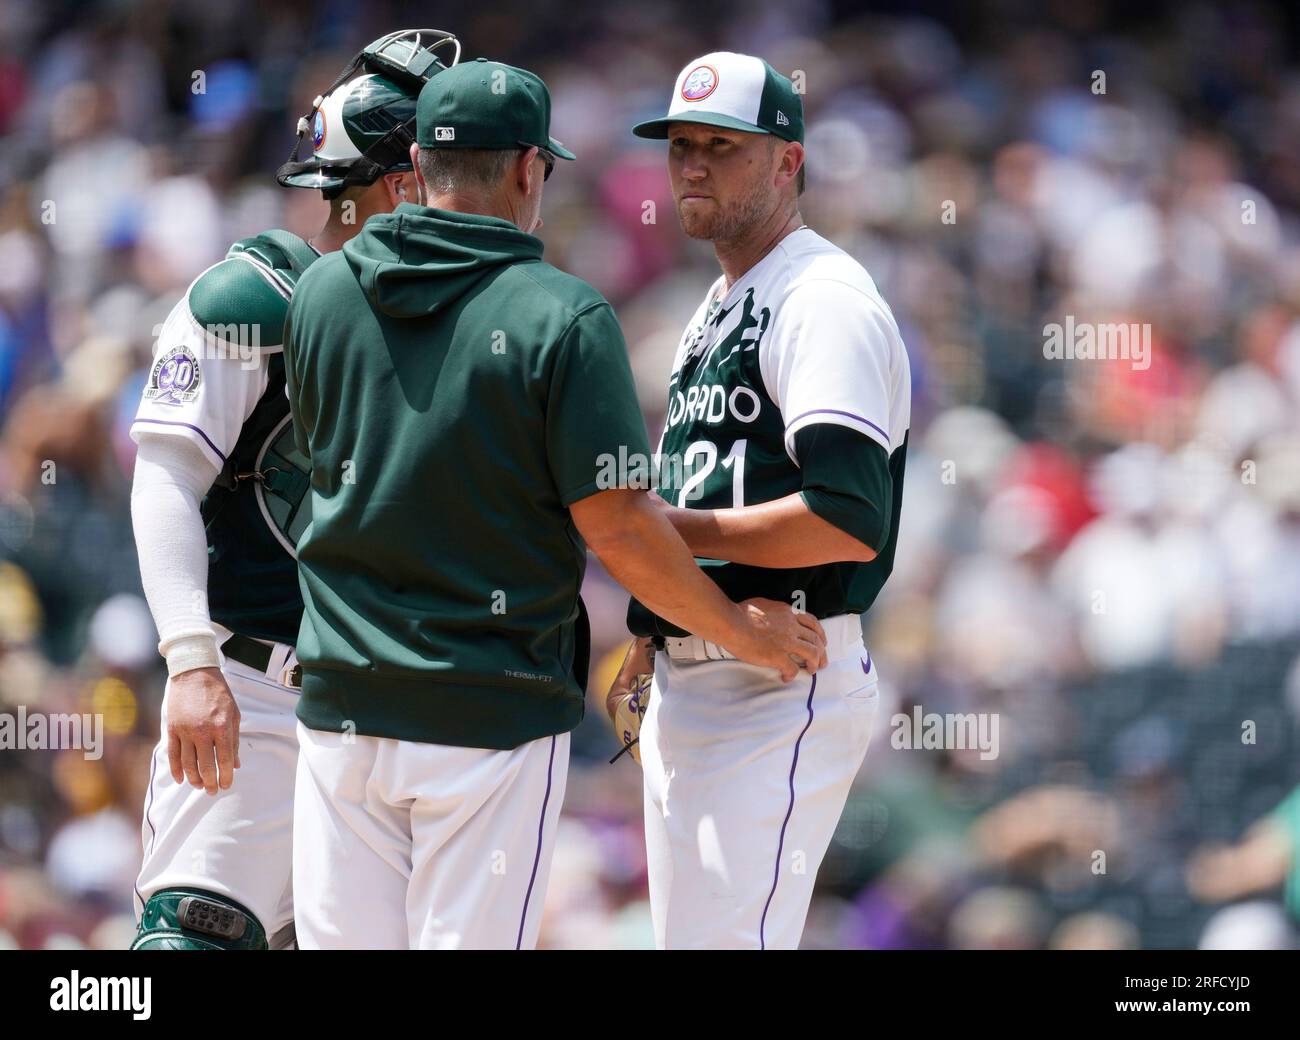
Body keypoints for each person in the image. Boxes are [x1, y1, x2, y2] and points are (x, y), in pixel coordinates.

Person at [281, 57, 824, 950]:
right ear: (531, 170)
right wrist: (739, 628)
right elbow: (615, 523)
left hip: (339, 703)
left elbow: (328, 466)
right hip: (487, 711)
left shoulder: (322, 292)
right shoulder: (561, 315)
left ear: (416, 162)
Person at [128, 29, 462, 950]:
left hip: (395, 703)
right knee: (192, 942)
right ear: (400, 184)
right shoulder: (260, 293)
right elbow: (164, 478)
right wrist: (192, 659)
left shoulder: (473, 317)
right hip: (259, 688)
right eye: (448, 167)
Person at [607, 51, 913, 949]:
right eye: (681, 145)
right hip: (698, 668)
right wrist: (655, 614)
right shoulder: (716, 301)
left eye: (722, 146)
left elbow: (849, 520)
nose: (692, 165)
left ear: (789, 161)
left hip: (779, 675)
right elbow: (701, 476)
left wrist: (666, 537)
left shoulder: (821, 298)